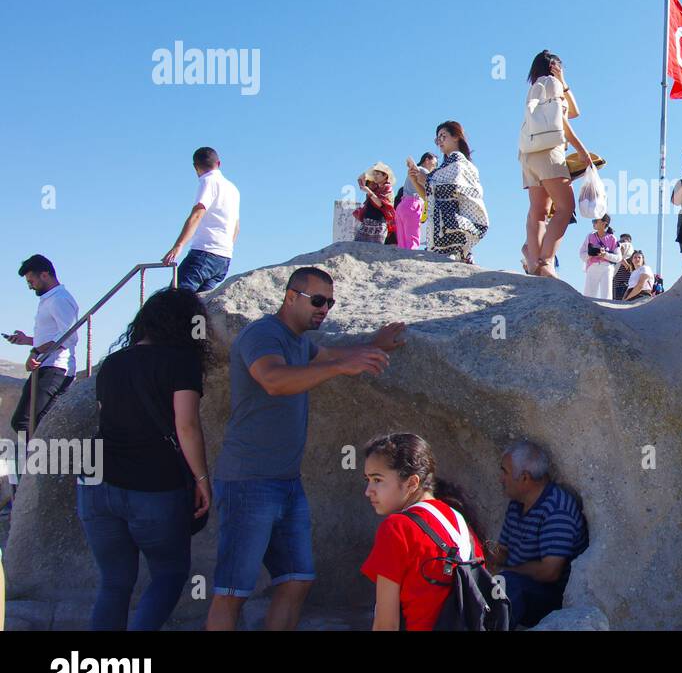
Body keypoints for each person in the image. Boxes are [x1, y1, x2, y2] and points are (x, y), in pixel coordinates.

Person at [206, 266, 405, 631]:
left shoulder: (300, 341)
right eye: (317, 300)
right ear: (290, 297)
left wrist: (374, 346)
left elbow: (326, 356)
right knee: (232, 590)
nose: (324, 309)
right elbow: (273, 379)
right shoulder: (263, 334)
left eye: (330, 302)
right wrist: (344, 365)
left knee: (297, 579)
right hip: (248, 482)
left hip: (286, 482)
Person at [77, 288, 212, 631]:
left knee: (114, 583)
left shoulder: (113, 362)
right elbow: (187, 425)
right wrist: (201, 479)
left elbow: (105, 416)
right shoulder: (182, 362)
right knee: (169, 574)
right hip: (154, 486)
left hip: (95, 484)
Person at [360, 433, 487, 631]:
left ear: (412, 483)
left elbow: (386, 625)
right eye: (367, 479)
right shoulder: (459, 519)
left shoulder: (397, 528)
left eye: (377, 479)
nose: (368, 490)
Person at [487, 440, 588, 629]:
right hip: (517, 585)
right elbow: (503, 552)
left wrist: (505, 572)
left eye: (505, 472)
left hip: (548, 597)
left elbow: (549, 572)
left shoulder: (557, 508)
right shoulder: (517, 503)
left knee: (506, 584)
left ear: (525, 478)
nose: (501, 478)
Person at [518, 50, 595, 278]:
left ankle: (534, 263)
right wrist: (581, 150)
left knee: (538, 212)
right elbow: (563, 120)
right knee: (565, 207)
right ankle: (546, 260)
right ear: (554, 66)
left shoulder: (535, 88)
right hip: (550, 153)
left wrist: (564, 84)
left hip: (529, 154)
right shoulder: (551, 82)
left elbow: (574, 112)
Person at [5, 255, 80, 439]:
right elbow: (55, 335)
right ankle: (47, 462)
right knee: (31, 421)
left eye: (32, 281)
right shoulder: (49, 299)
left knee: (25, 421)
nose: (30, 286)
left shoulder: (59, 299)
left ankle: (46, 462)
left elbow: (68, 336)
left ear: (45, 275)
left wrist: (36, 351)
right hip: (47, 365)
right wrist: (27, 341)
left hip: (55, 368)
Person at [163, 147, 241, 293]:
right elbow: (236, 227)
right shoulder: (233, 189)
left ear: (195, 167)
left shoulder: (208, 181)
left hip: (204, 253)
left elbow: (198, 214)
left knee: (175, 300)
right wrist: (226, 248)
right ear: (219, 163)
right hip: (224, 258)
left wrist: (178, 245)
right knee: (199, 306)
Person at [414, 121, 489, 264]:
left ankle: (456, 251)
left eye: (443, 136)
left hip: (460, 221)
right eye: (437, 139)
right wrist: (416, 179)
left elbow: (454, 187)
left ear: (455, 136)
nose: (439, 141)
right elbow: (430, 197)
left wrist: (428, 181)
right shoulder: (445, 166)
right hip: (450, 224)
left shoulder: (459, 161)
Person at [395, 153, 435, 250]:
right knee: (412, 240)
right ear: (427, 160)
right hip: (413, 203)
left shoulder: (411, 172)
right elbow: (432, 188)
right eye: (434, 164)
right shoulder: (423, 171)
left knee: (402, 241)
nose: (434, 167)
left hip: (401, 205)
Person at [353, 163, 397, 244]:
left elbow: (380, 204)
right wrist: (371, 169)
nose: (375, 176)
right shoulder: (374, 186)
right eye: (374, 174)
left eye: (378, 174)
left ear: (385, 176)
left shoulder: (388, 188)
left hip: (379, 225)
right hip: (366, 223)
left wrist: (369, 192)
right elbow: (360, 179)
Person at [580, 214, 620, 299]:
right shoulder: (590, 236)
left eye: (595, 221)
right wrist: (590, 254)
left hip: (607, 268)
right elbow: (581, 254)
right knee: (588, 295)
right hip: (592, 266)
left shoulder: (612, 238)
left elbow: (618, 257)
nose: (593, 223)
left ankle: (608, 312)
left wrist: (605, 255)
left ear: (603, 223)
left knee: (607, 295)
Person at [611, 234, 634, 300]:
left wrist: (624, 261)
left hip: (624, 285)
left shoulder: (633, 256)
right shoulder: (615, 254)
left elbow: (632, 269)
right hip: (614, 284)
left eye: (623, 241)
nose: (621, 242)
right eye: (620, 241)